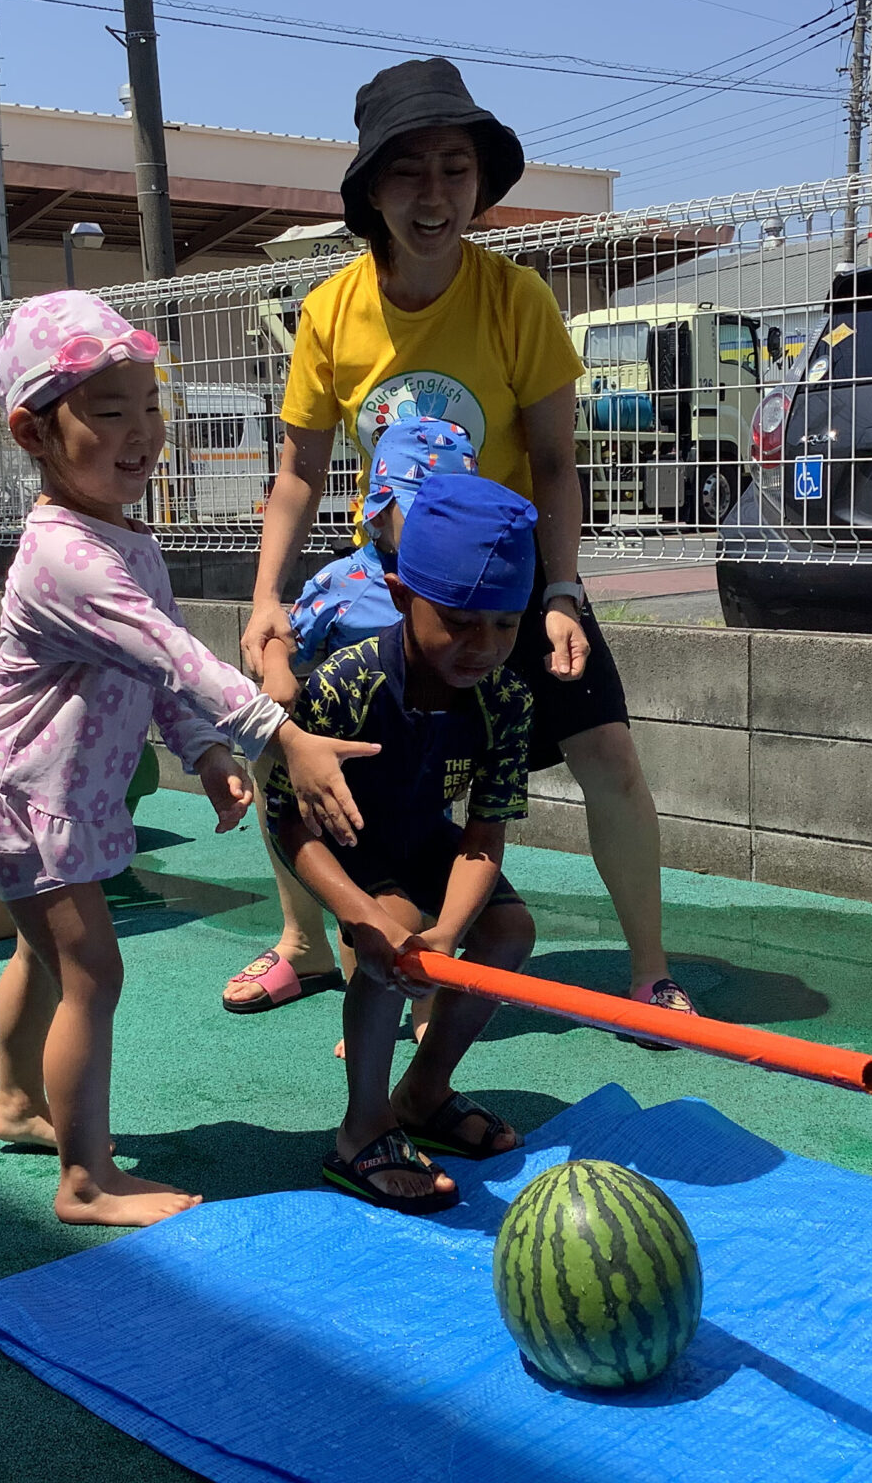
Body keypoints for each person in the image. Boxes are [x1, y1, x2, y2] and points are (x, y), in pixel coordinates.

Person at [237, 57, 696, 1043]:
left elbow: (554, 462)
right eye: (407, 169)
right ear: (371, 192)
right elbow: (296, 477)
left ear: (479, 185)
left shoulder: (515, 299)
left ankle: (648, 976)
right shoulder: (329, 312)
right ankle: (305, 942)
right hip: (397, 594)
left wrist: (566, 590)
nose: (433, 192)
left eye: (454, 167)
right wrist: (264, 600)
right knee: (289, 721)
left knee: (607, 753)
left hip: (511, 579)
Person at [0, 290, 375, 1226]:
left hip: (47, 794)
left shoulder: (122, 532)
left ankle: (19, 1103)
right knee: (93, 969)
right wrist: (279, 736)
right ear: (32, 431)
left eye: (150, 407)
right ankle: (87, 1179)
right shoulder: (65, 554)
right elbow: (173, 654)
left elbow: (161, 666)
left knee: (42, 951)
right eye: (109, 413)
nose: (142, 433)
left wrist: (208, 747)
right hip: (33, 798)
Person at [266, 472, 537, 1213]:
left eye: (507, 624)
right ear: (399, 593)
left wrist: (454, 934)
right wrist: (359, 913)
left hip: (425, 836)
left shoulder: (506, 698)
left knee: (510, 929)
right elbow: (286, 818)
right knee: (397, 937)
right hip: (345, 841)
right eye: (460, 622)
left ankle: (423, 1092)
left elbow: (484, 837)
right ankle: (362, 1127)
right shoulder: (349, 685)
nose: (484, 647)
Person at [223, 415, 477, 1033]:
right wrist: (280, 671)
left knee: (416, 895)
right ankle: (363, 1004)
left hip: (422, 766)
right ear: (378, 507)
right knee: (358, 901)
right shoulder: (343, 584)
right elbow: (276, 637)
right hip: (347, 772)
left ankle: (418, 1002)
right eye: (419, 513)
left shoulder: (461, 585)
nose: (431, 530)